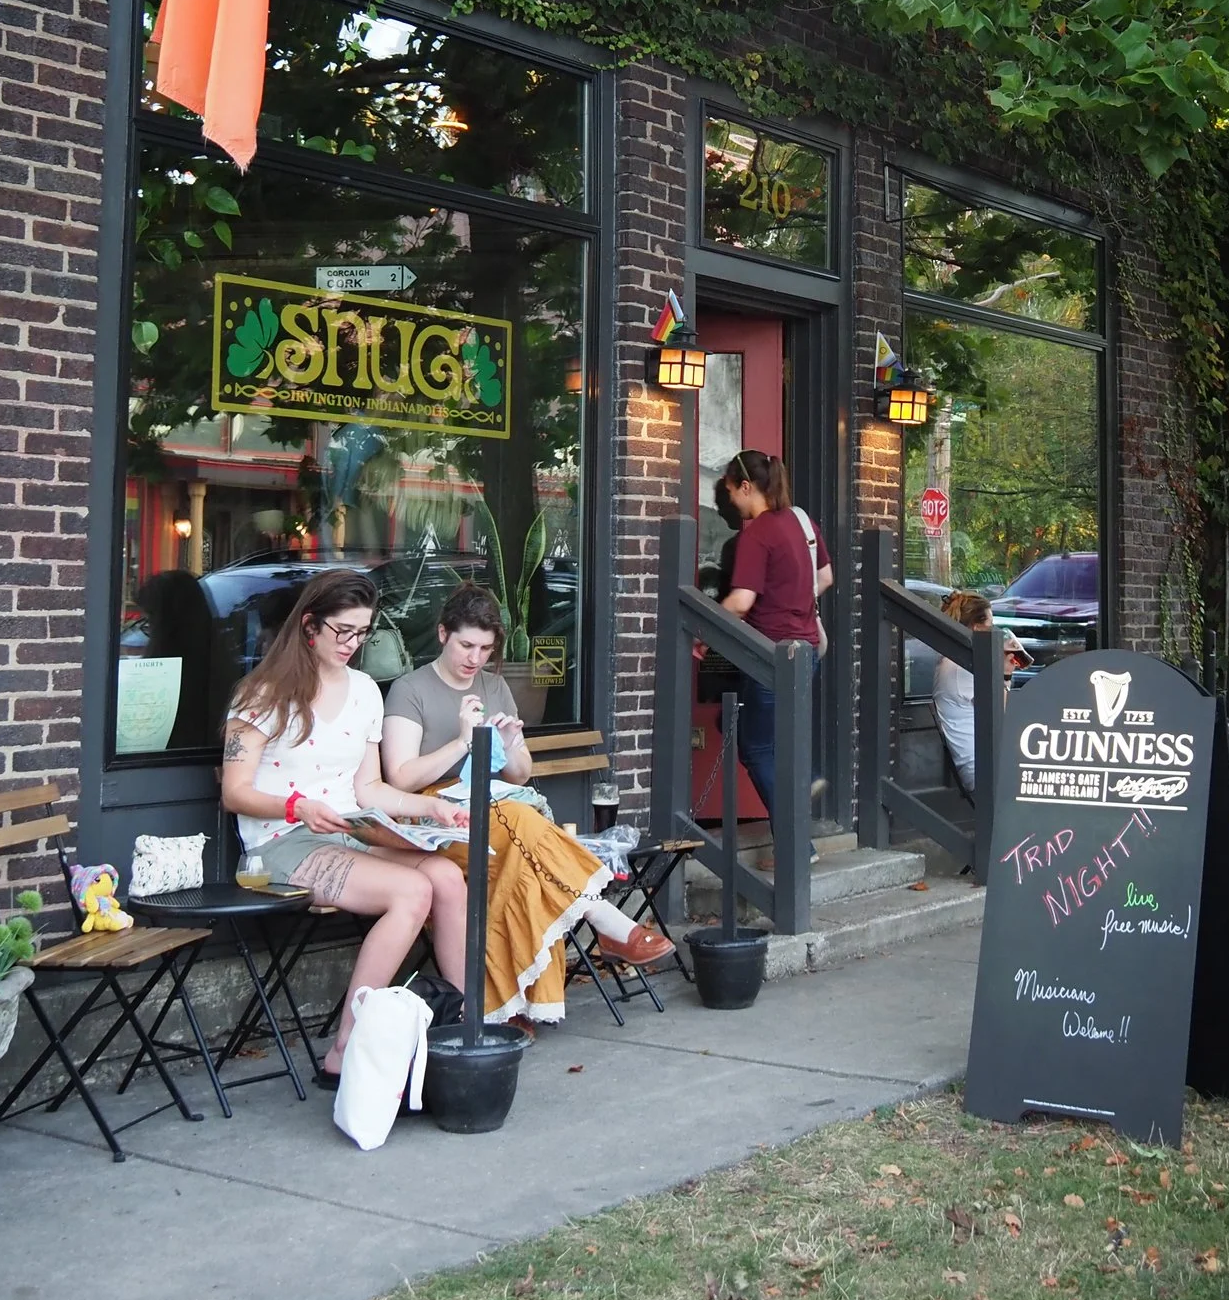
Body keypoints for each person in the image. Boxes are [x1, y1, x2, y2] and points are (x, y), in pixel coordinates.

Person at [383, 583, 676, 1023]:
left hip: (497, 809)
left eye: (484, 648)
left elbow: (520, 773)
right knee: (524, 826)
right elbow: (400, 777)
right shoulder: (410, 689)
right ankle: (609, 923)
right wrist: (463, 742)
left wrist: (508, 742)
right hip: (432, 814)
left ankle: (508, 1009)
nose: (474, 658)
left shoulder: (496, 686)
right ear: (443, 634)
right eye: (466, 644)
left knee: (528, 873)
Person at [219, 570, 467, 1086]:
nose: (354, 644)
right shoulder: (263, 692)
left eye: (364, 632)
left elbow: (369, 789)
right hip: (282, 843)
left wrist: (428, 810)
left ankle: (467, 1028)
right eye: (344, 631)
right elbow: (234, 791)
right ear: (310, 625)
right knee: (412, 891)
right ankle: (346, 1047)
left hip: (348, 830)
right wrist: (296, 807)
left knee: (445, 875)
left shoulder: (364, 692)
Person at [715, 449, 829, 822]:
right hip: (807, 650)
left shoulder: (757, 534)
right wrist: (793, 595)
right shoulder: (803, 522)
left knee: (756, 747)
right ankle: (806, 784)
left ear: (746, 486)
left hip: (770, 655)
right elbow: (826, 578)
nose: (732, 501)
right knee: (779, 739)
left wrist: (707, 623)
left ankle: (798, 842)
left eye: (732, 491)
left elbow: (741, 601)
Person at [927, 591, 1021, 797]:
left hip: (988, 765)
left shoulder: (955, 662)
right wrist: (1005, 673)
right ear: (977, 628)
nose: (994, 631)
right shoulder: (962, 669)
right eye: (991, 626)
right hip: (985, 772)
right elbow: (1001, 716)